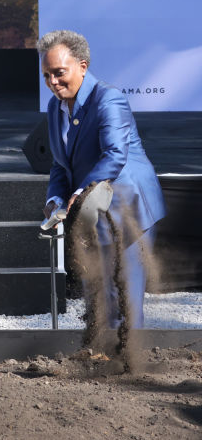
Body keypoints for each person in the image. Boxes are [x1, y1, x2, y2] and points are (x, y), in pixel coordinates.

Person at [38, 29, 165, 328]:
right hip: (90, 209)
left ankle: (128, 365)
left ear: (82, 66)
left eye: (58, 73)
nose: (52, 82)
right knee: (96, 288)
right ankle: (98, 355)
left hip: (127, 205)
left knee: (123, 294)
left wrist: (80, 193)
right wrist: (55, 200)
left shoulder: (109, 99)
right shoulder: (55, 107)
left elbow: (114, 154)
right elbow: (60, 165)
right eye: (46, 76)